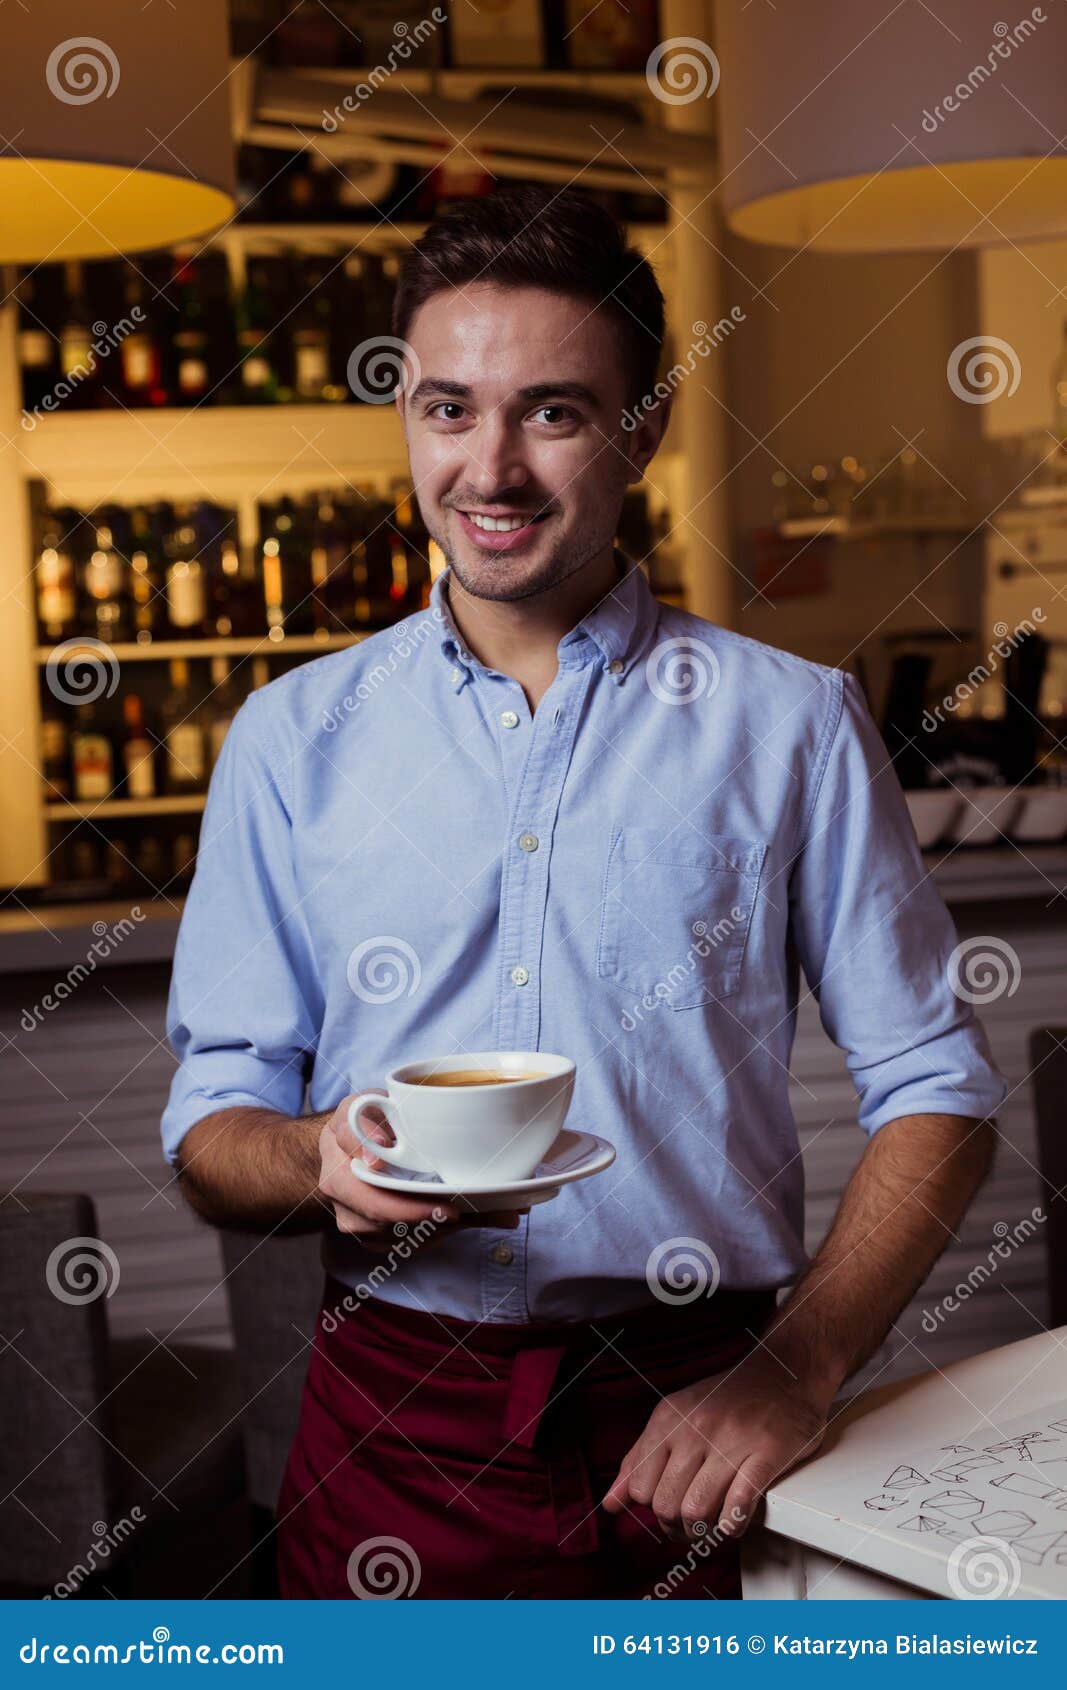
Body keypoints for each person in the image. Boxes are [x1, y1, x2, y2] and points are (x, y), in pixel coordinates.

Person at [161, 183, 1008, 1600]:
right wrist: (316, 1158)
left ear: (643, 428)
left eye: (552, 412)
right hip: (389, 1432)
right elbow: (210, 1125)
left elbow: (940, 1088)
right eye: (447, 408)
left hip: (699, 1427)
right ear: (408, 418)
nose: (487, 468)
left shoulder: (790, 724)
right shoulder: (291, 738)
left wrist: (794, 1369)